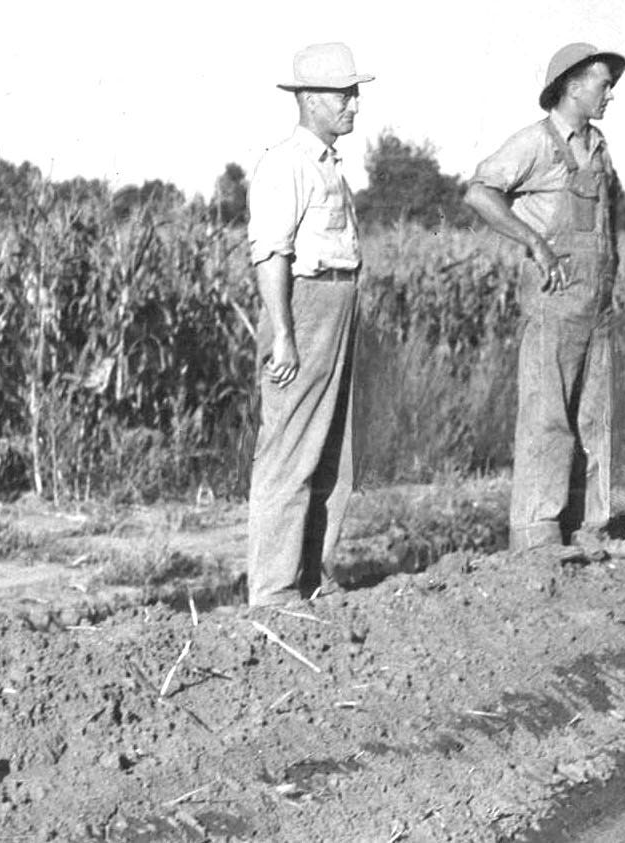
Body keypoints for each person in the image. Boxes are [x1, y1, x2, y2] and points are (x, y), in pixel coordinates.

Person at [465, 43, 625, 557]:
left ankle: (589, 528)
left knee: (593, 415)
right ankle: (537, 534)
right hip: (554, 298)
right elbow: (479, 192)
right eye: (604, 84)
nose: (610, 94)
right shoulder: (534, 143)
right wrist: (533, 242)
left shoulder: (599, 146)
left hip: (596, 301)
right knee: (547, 414)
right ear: (573, 85)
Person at [245, 43, 374, 606]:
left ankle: (309, 577)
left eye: (354, 93)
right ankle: (273, 590)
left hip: (338, 303)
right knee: (291, 452)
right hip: (305, 306)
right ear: (309, 99)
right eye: (344, 94)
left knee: (332, 454)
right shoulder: (287, 163)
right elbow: (270, 254)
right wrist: (284, 335)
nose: (353, 104)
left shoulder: (328, 164)